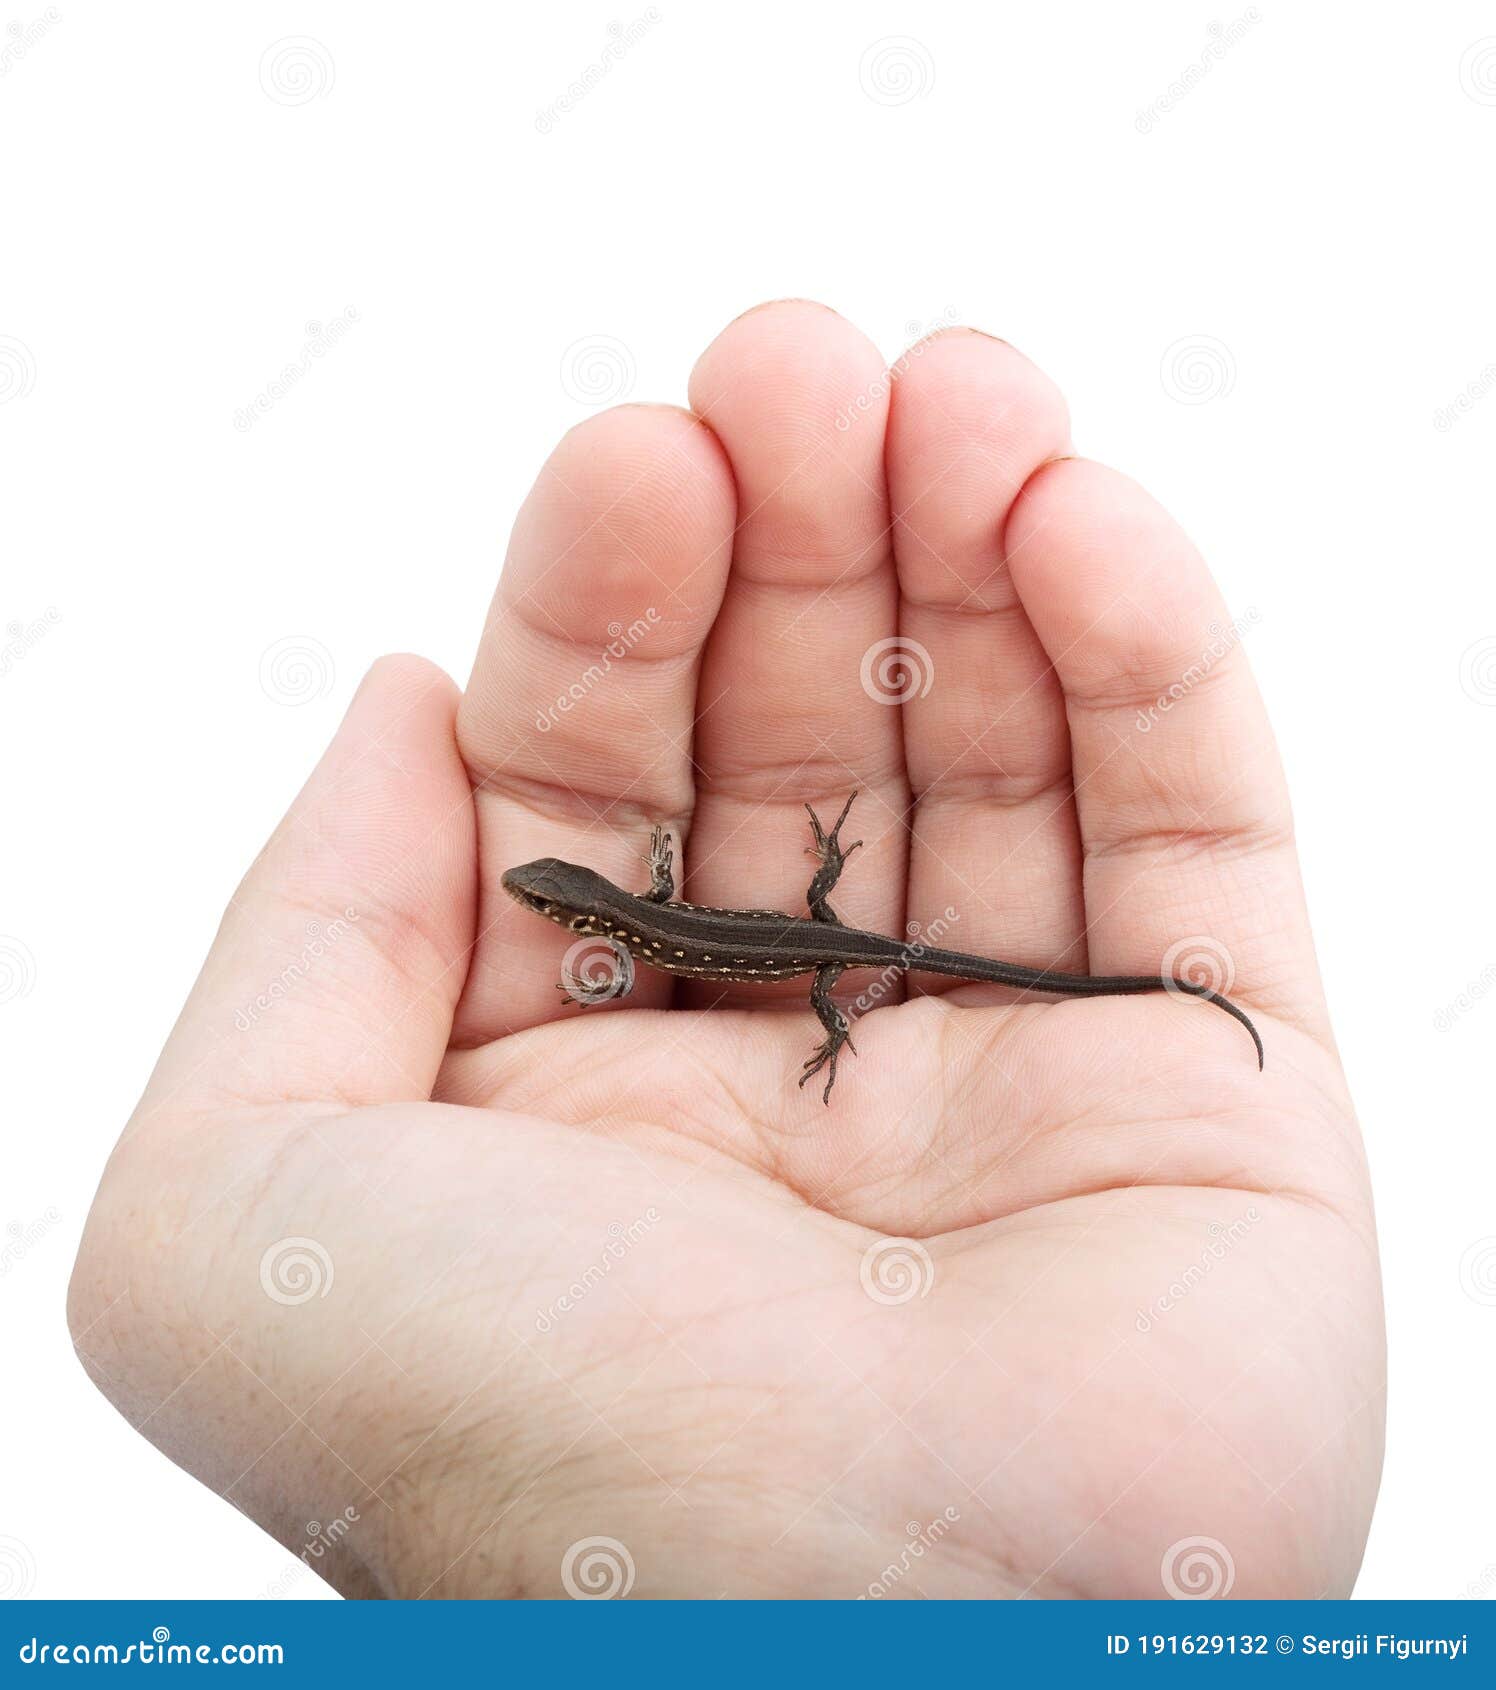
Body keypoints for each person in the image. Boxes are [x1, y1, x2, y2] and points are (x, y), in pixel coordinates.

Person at [69, 302, 1383, 1600]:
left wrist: (839, 1014)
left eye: (549, 897)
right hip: (812, 939)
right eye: (553, 899)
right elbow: (664, 891)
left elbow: (689, 908)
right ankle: (977, 985)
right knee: (858, 948)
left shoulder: (632, 939)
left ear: (584, 919)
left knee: (880, 968)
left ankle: (1004, 998)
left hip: (823, 953)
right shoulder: (631, 920)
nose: (542, 902)